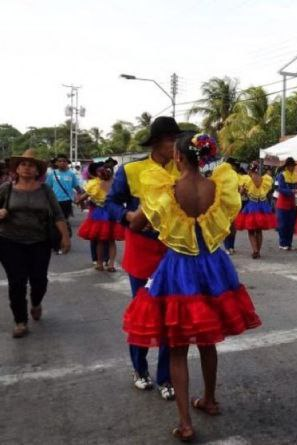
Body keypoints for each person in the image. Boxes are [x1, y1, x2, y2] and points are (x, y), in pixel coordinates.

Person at [122, 133, 261, 442]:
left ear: (178, 158)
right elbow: (227, 221)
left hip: (180, 268)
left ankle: (185, 422)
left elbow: (136, 224)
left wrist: (126, 213)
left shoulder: (166, 189)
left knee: (178, 348)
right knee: (208, 340)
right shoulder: (217, 186)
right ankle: (209, 400)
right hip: (213, 267)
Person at [106, 116, 182, 399]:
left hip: (176, 250)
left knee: (171, 315)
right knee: (144, 312)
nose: (176, 145)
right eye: (170, 139)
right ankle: (139, 369)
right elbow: (112, 202)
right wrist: (126, 216)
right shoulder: (131, 169)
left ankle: (166, 377)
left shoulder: (184, 168)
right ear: (155, 142)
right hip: (142, 250)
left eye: (178, 139)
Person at [0, 149, 70, 338]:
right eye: (23, 164)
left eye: (31, 165)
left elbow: (57, 214)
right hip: (9, 241)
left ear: (38, 170)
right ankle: (20, 321)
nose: (27, 168)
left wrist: (65, 237)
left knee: (39, 280)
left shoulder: (45, 190)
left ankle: (36, 302)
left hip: (40, 241)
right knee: (17, 282)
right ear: (17, 168)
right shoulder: (6, 189)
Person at [76, 162, 125, 271]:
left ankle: (106, 263)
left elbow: (80, 199)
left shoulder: (114, 183)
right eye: (100, 170)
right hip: (105, 214)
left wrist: (81, 200)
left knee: (106, 240)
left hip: (105, 214)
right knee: (103, 240)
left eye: (106, 170)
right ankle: (103, 263)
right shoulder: (108, 183)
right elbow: (82, 198)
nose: (104, 172)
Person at [235, 164, 276, 259]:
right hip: (263, 206)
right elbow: (269, 191)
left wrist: (243, 191)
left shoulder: (246, 179)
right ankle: (258, 251)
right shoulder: (266, 179)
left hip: (252, 206)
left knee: (251, 230)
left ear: (250, 171)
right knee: (259, 230)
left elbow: (240, 193)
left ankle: (255, 250)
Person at [45, 153, 81, 249]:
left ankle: (63, 242)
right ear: (56, 163)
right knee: (54, 223)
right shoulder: (52, 174)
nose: (62, 163)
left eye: (64, 161)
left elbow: (77, 187)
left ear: (67, 163)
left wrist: (81, 197)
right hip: (54, 202)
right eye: (60, 161)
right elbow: (47, 187)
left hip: (67, 202)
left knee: (63, 222)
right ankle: (55, 244)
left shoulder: (71, 174)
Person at [275, 157, 297, 251]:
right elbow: (280, 189)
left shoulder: (295, 175)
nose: (293, 167)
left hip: (292, 203)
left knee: (291, 224)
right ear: (287, 166)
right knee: (283, 224)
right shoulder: (281, 175)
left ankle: (289, 243)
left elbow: (296, 185)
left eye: (294, 166)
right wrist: (293, 191)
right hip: (283, 203)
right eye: (291, 166)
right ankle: (282, 243)